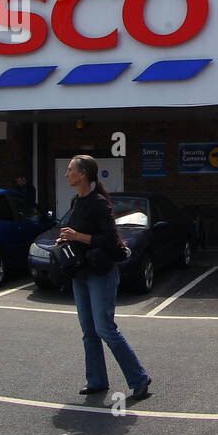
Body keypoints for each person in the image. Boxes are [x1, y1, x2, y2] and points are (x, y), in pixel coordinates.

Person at [58, 155, 152, 402]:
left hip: (101, 272)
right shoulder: (76, 201)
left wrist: (78, 236)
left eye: (70, 170)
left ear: (83, 174)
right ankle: (96, 381)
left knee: (105, 328)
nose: (67, 174)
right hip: (81, 272)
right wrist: (67, 239)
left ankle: (139, 379)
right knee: (88, 330)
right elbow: (79, 234)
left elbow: (111, 241)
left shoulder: (99, 203)